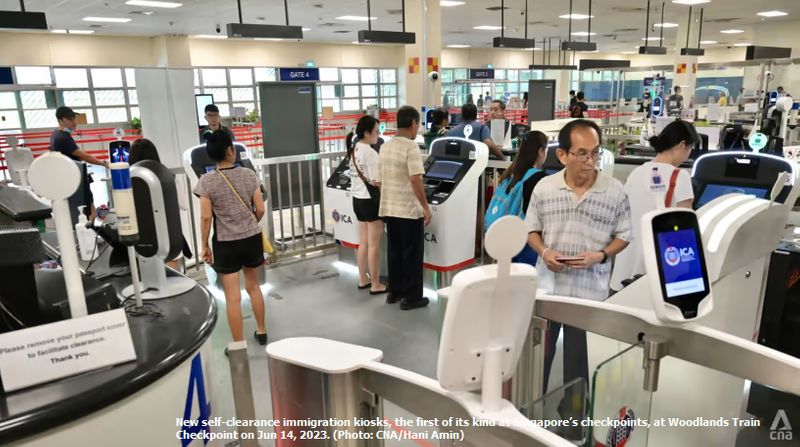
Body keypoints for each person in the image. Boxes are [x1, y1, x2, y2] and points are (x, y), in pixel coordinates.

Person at [524, 119, 631, 402]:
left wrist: (601, 255)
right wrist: (545, 252)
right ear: (562, 155)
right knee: (539, 356)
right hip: (548, 290)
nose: (590, 160)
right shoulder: (544, 188)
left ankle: (572, 419)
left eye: (595, 152)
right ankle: (532, 410)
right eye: (582, 153)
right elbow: (531, 230)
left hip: (589, 295)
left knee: (579, 364)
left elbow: (624, 235)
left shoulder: (615, 191)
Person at [194, 130, 268, 348]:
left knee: (232, 296)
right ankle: (262, 330)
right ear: (230, 150)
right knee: (254, 287)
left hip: (226, 243)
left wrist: (204, 244)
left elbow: (206, 217)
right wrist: (249, 222)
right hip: (251, 238)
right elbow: (261, 208)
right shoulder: (248, 175)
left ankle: (238, 344)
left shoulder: (206, 181)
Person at [610, 120, 698, 291]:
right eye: (690, 149)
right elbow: (685, 228)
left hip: (623, 267)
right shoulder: (680, 176)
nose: (688, 154)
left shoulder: (635, 173)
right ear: (681, 145)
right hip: (654, 271)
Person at [376, 106, 431, 311]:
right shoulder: (411, 147)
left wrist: (389, 198)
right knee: (412, 254)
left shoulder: (385, 146)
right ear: (413, 123)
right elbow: (416, 179)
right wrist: (425, 207)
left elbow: (378, 181)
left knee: (395, 252)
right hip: (409, 210)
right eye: (418, 124)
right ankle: (412, 297)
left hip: (390, 209)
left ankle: (394, 292)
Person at [129, 138, 194, 271]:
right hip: (168, 235)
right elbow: (183, 205)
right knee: (172, 280)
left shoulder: (127, 180)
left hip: (139, 239)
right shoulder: (167, 177)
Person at [484, 130, 548, 266]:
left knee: (511, 279)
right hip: (526, 242)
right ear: (541, 151)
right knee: (528, 281)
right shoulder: (539, 178)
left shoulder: (510, 173)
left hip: (507, 240)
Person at [346, 115, 387, 295]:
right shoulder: (370, 153)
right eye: (376, 131)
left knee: (363, 243)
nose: (378, 134)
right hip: (371, 202)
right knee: (374, 245)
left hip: (358, 200)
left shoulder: (355, 149)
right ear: (366, 132)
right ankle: (376, 284)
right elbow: (377, 181)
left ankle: (363, 279)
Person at [50, 106, 109, 222]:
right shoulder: (62, 137)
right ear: (60, 120)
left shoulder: (56, 134)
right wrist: (103, 163)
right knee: (87, 209)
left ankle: (90, 226)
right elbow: (83, 155)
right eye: (70, 119)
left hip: (72, 176)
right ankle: (89, 231)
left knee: (89, 205)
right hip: (75, 178)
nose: (74, 122)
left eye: (74, 119)